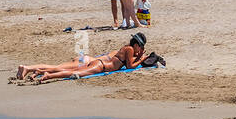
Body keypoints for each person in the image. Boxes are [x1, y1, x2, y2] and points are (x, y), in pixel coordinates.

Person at [17, 33, 147, 81]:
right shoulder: (129, 50)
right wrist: (141, 58)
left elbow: (129, 61)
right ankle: (36, 71)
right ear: (136, 45)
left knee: (59, 68)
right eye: (140, 47)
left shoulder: (124, 49)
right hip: (96, 64)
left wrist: (139, 55)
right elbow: (130, 65)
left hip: (95, 61)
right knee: (69, 71)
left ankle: (37, 71)